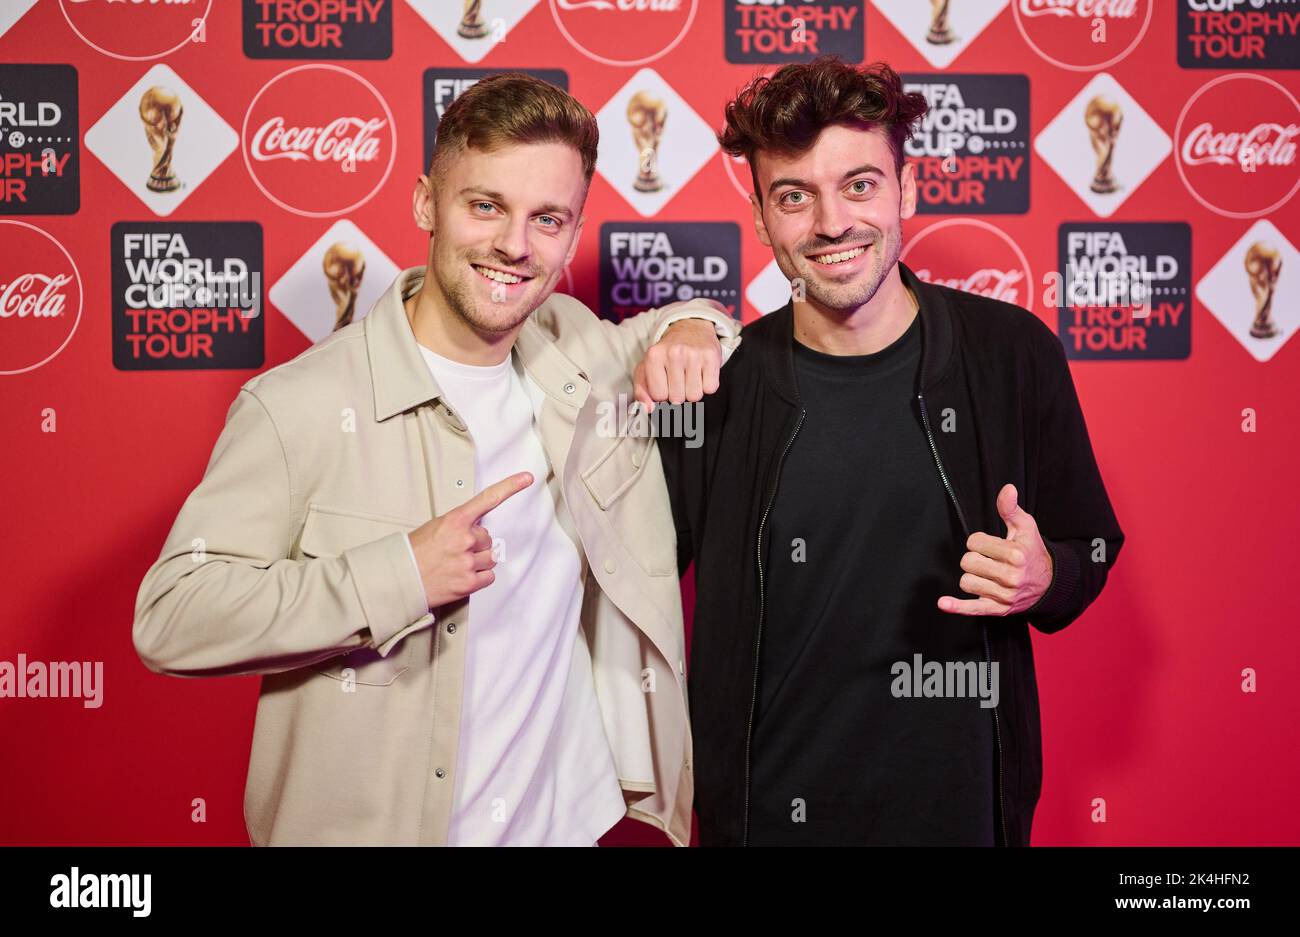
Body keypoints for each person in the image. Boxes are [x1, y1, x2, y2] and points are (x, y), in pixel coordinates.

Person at [132, 72, 740, 846]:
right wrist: (399, 576)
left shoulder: (577, 352)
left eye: (547, 218)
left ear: (574, 232)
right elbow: (171, 614)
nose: (515, 246)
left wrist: (690, 328)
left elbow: (695, 324)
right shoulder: (300, 404)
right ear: (427, 204)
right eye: (485, 205)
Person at [660, 56, 1125, 846]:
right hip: (767, 822)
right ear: (762, 213)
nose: (832, 222)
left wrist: (1047, 576)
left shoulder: (1013, 355)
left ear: (907, 190)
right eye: (794, 196)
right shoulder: (717, 383)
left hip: (962, 820)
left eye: (861, 185)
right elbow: (619, 585)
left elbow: (1094, 548)